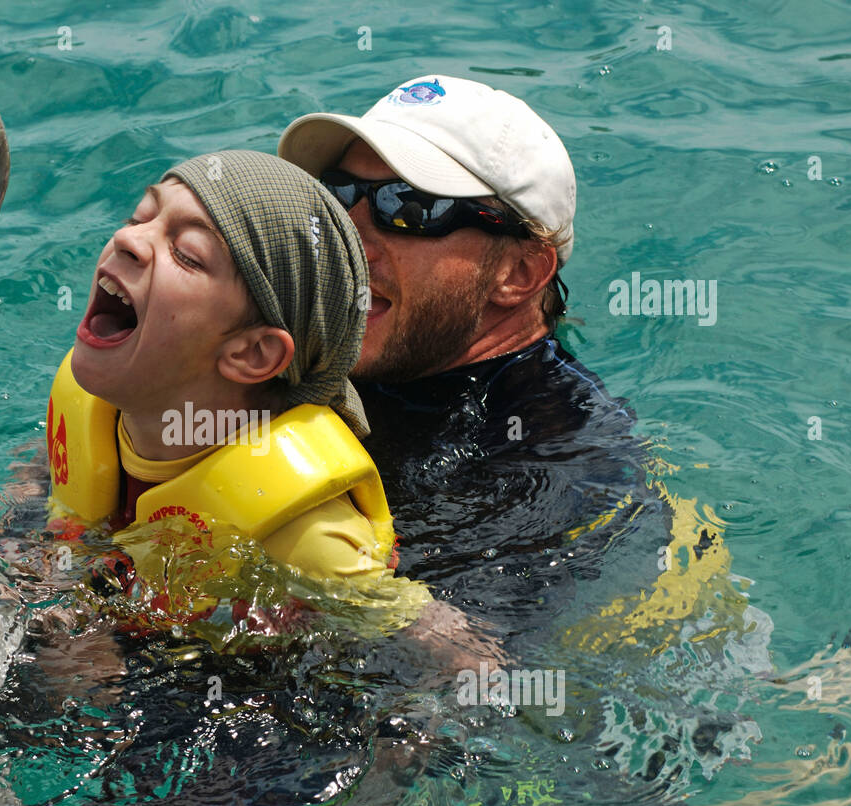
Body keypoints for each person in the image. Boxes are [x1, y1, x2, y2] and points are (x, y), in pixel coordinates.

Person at [278, 74, 686, 636]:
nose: (350, 234)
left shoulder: (550, 470)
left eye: (410, 208)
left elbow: (459, 683)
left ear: (518, 274)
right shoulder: (293, 355)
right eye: (339, 195)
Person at [46, 149, 403, 587]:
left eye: (187, 255)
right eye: (140, 218)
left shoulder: (315, 544)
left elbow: (428, 640)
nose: (128, 240)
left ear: (253, 354)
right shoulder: (95, 417)